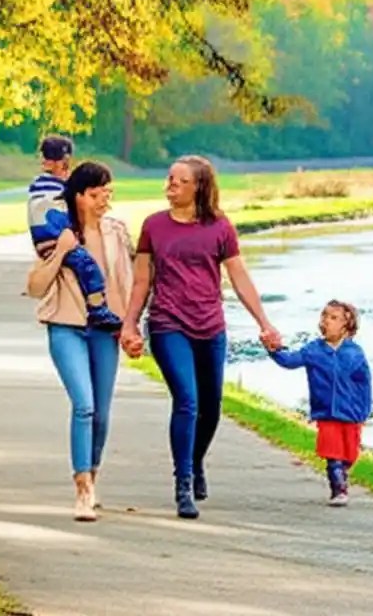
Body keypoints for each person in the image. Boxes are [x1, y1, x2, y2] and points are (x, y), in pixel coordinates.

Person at [120, 155, 281, 519]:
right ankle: (183, 484)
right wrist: (130, 325)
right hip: (167, 323)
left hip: (210, 326)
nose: (171, 185)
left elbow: (239, 277)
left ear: (199, 187)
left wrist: (264, 323)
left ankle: (195, 461)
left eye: (180, 180)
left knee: (212, 409)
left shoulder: (220, 227)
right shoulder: (153, 226)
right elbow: (142, 280)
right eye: (169, 178)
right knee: (187, 401)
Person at [26, 161, 134, 522]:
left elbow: (127, 284)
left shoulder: (117, 232)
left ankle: (94, 473)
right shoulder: (57, 230)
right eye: (96, 194)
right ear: (77, 196)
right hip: (66, 326)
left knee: (101, 413)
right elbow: (35, 287)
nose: (104, 200)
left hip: (106, 331)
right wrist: (60, 251)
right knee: (84, 405)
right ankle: (82, 488)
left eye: (108, 193)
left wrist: (131, 328)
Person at [266, 300, 372, 506]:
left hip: (351, 412)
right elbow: (290, 361)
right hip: (326, 412)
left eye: (333, 318)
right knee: (333, 454)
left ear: (346, 326)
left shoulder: (355, 353)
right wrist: (274, 350)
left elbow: (364, 383)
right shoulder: (313, 350)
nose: (326, 321)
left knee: (349, 454)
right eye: (324, 316)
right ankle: (338, 488)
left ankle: (342, 472)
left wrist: (364, 409)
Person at [27, 135, 121, 332]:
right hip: (55, 241)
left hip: (44, 242)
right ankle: (98, 309)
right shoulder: (54, 188)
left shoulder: (38, 185)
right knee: (89, 269)